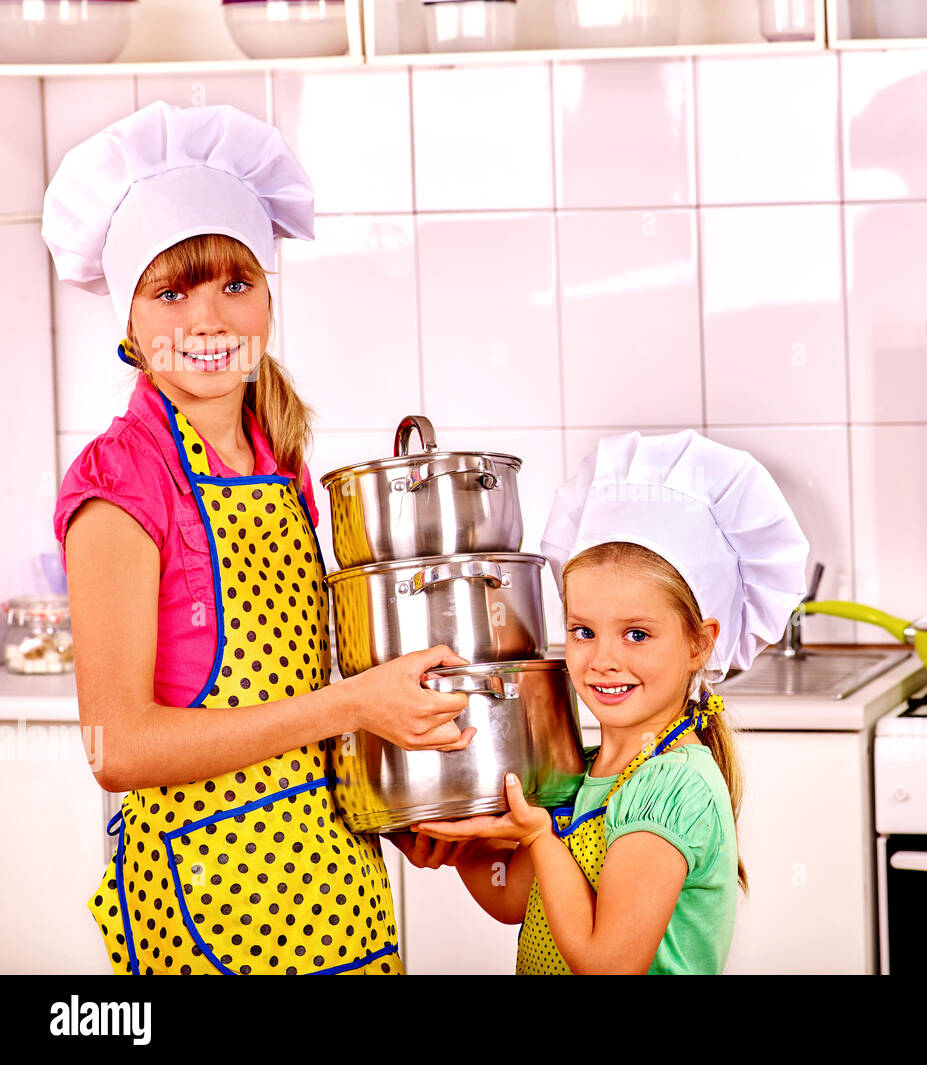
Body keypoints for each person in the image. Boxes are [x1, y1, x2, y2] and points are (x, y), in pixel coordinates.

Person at [43, 101, 471, 976]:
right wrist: (355, 705)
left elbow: (304, 696)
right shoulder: (121, 478)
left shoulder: (282, 457)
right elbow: (116, 748)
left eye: (236, 283)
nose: (209, 320)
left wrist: (395, 800)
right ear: (129, 322)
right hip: (213, 906)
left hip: (335, 884)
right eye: (172, 291)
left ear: (270, 294)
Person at [392, 430, 809, 974]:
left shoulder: (669, 785)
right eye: (584, 631)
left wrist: (539, 834)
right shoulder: (587, 770)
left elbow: (608, 965)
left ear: (700, 642)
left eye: (636, 634)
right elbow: (515, 900)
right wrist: (454, 843)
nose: (603, 659)